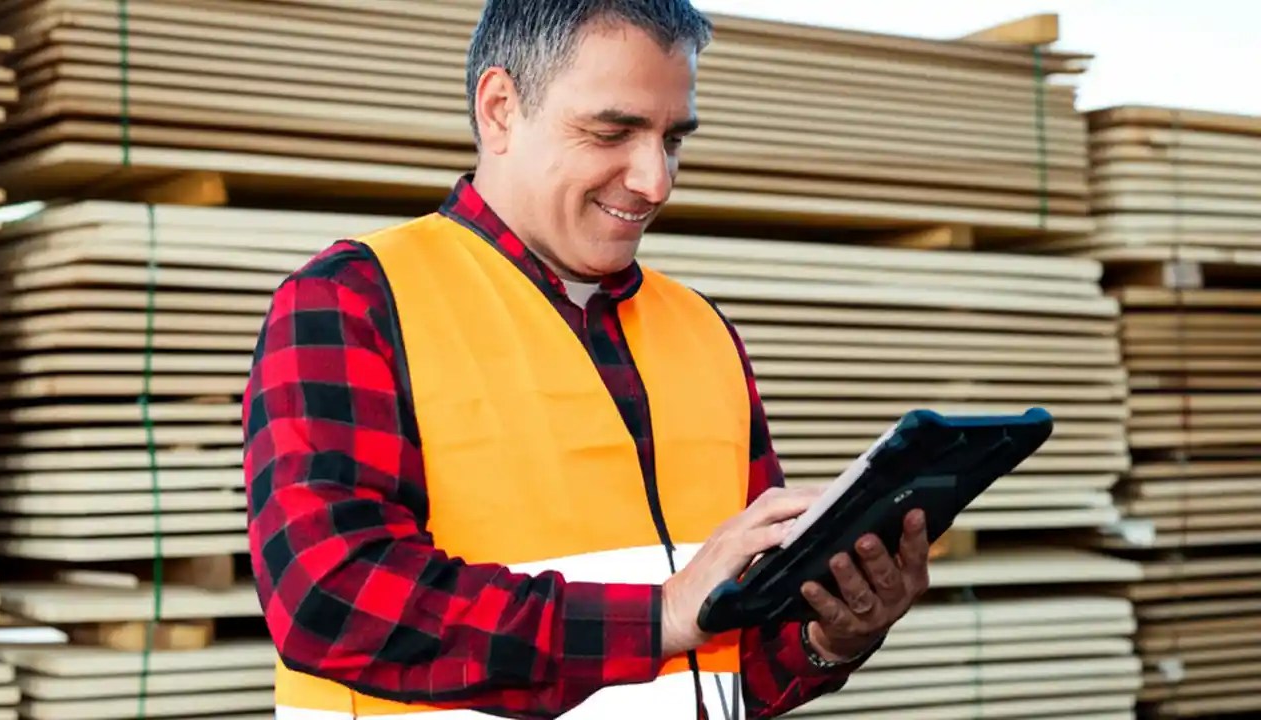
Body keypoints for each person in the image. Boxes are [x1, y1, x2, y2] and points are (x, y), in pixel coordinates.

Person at [242, 1, 931, 718]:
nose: (655, 180)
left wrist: (831, 636)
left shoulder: (701, 331)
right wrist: (656, 617)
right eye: (614, 132)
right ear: (501, 109)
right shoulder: (353, 301)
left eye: (673, 140)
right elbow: (328, 597)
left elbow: (733, 660)